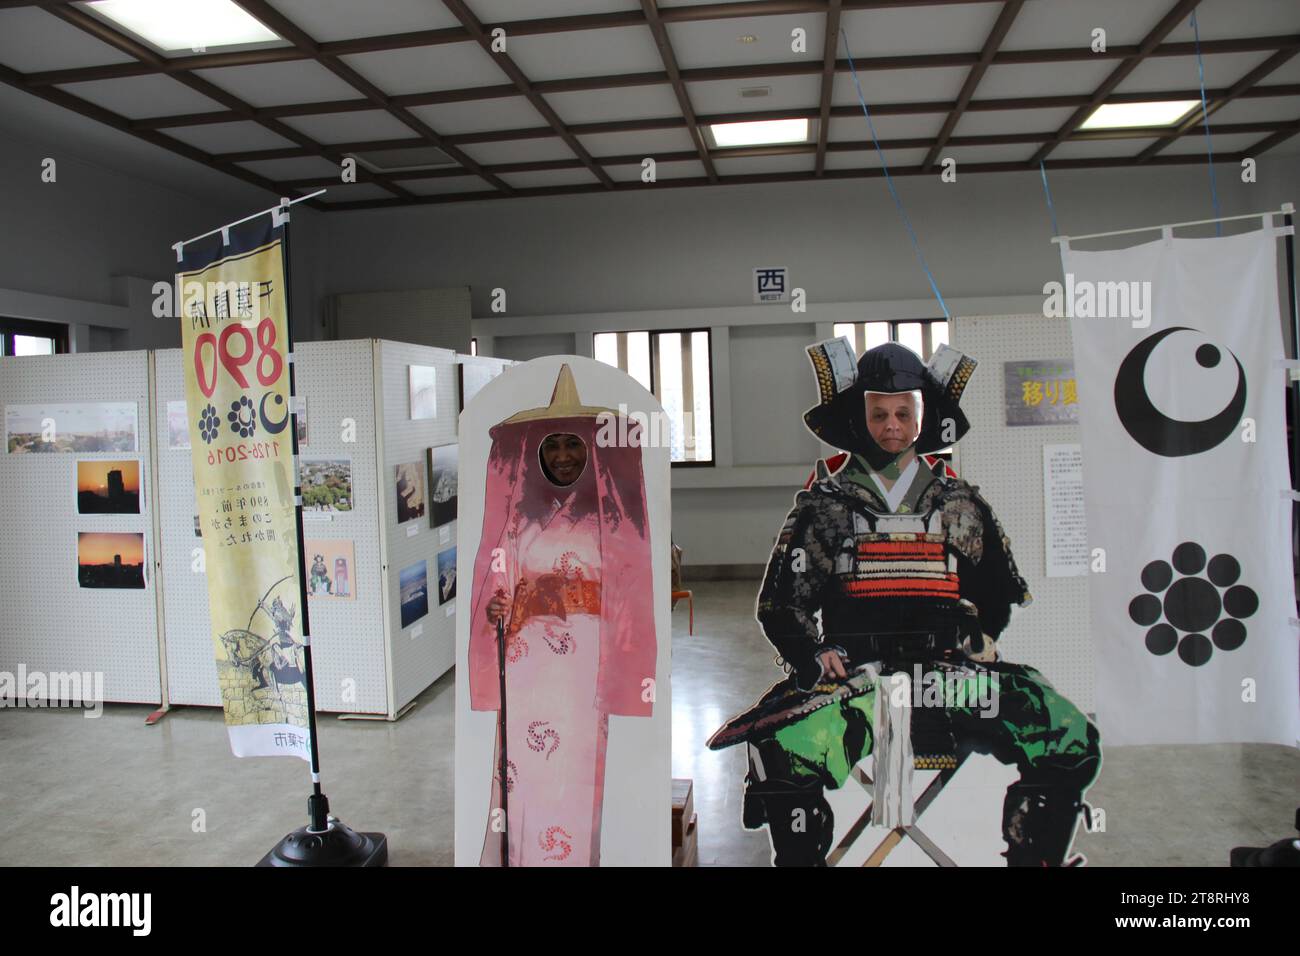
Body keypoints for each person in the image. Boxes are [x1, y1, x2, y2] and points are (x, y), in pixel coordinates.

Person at [709, 339, 1101, 867]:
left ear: (923, 414)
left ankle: (1035, 862)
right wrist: (812, 652)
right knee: (787, 747)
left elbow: (999, 591)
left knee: (1066, 731)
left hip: (952, 678)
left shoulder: (958, 502)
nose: (891, 425)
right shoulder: (826, 507)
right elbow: (782, 606)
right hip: (858, 683)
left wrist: (982, 634)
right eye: (878, 413)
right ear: (858, 415)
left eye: (903, 412)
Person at [468, 366, 655, 866]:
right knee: (521, 774)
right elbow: (499, 580)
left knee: (576, 774)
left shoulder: (613, 515)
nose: (564, 455)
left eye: (573, 444)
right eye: (553, 445)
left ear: (590, 448)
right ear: (538, 451)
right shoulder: (519, 515)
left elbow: (626, 587)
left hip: (585, 664)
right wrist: (497, 606)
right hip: (527, 665)